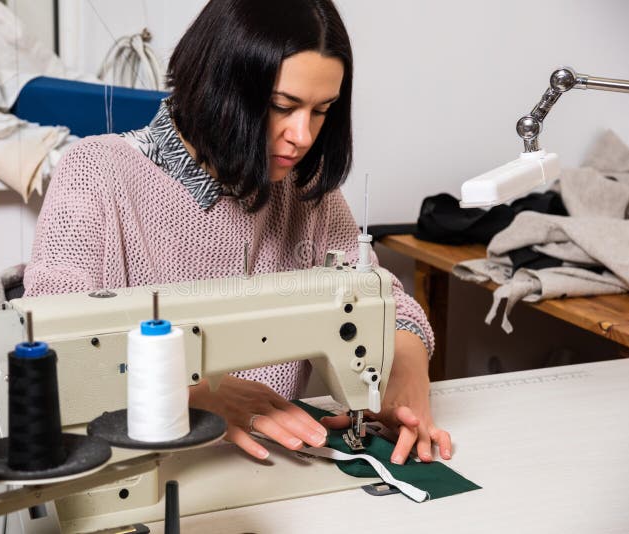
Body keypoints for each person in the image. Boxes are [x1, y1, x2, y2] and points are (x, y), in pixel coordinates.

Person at [24, 0, 452, 465]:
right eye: (282, 107)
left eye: (321, 111)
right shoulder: (97, 171)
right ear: (220, 83)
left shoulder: (304, 188)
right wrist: (197, 392)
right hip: (144, 467)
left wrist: (405, 374)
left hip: (271, 465)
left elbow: (383, 301)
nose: (303, 136)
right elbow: (54, 346)